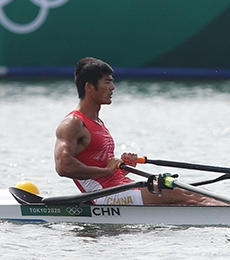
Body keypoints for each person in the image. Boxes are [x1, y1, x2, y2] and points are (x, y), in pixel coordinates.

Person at [54, 57, 220, 205]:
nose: (113, 87)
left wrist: (122, 167)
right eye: (107, 82)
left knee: (191, 192)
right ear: (89, 87)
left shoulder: (99, 123)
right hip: (103, 196)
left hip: (120, 187)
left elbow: (100, 165)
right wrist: (106, 171)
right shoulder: (73, 123)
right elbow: (64, 166)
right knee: (183, 194)